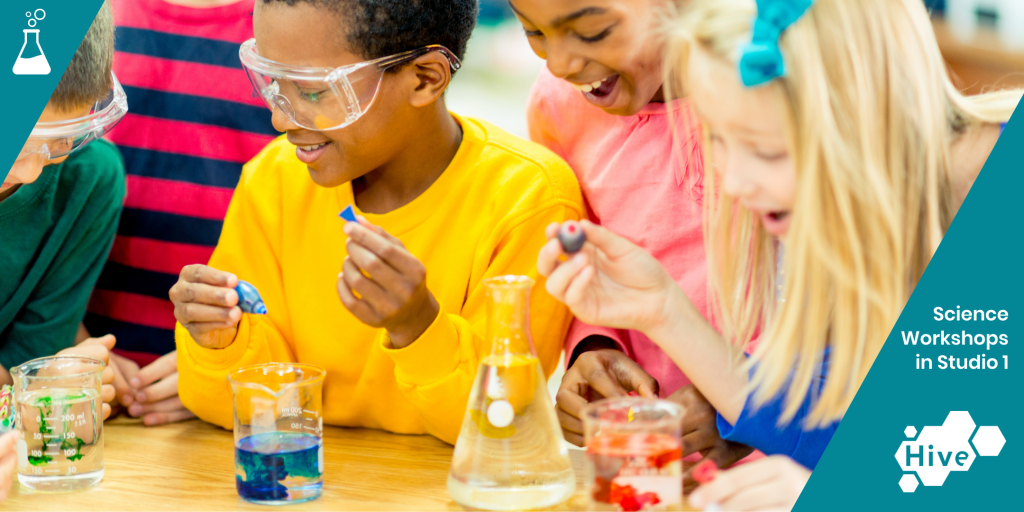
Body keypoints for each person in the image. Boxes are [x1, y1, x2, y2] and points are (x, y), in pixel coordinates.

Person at [537, 0, 1019, 509]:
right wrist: (662, 309)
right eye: (719, 139)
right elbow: (851, 427)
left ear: (863, 114)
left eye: (767, 150)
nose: (738, 184)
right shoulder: (861, 214)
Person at [170, 0, 585, 444]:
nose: (279, 118)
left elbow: (499, 425)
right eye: (274, 83)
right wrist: (219, 340)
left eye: (312, 92)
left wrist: (418, 325)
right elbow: (236, 407)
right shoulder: (273, 180)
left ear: (425, 78)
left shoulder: (529, 202)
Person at [510, 0, 753, 474]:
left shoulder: (771, 98)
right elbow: (585, 253)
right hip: (651, 470)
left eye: (594, 31)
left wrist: (746, 405)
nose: (559, 64)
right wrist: (593, 347)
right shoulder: (557, 105)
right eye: (534, 32)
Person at [81, 0, 279, 426]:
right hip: (85, 381)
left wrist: (218, 363)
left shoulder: (296, 28)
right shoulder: (75, 18)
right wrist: (77, 349)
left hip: (245, 385)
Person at [0, 0, 128, 391]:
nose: (32, 172)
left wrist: (49, 387)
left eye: (60, 141)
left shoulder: (87, 178)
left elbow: (24, 370)